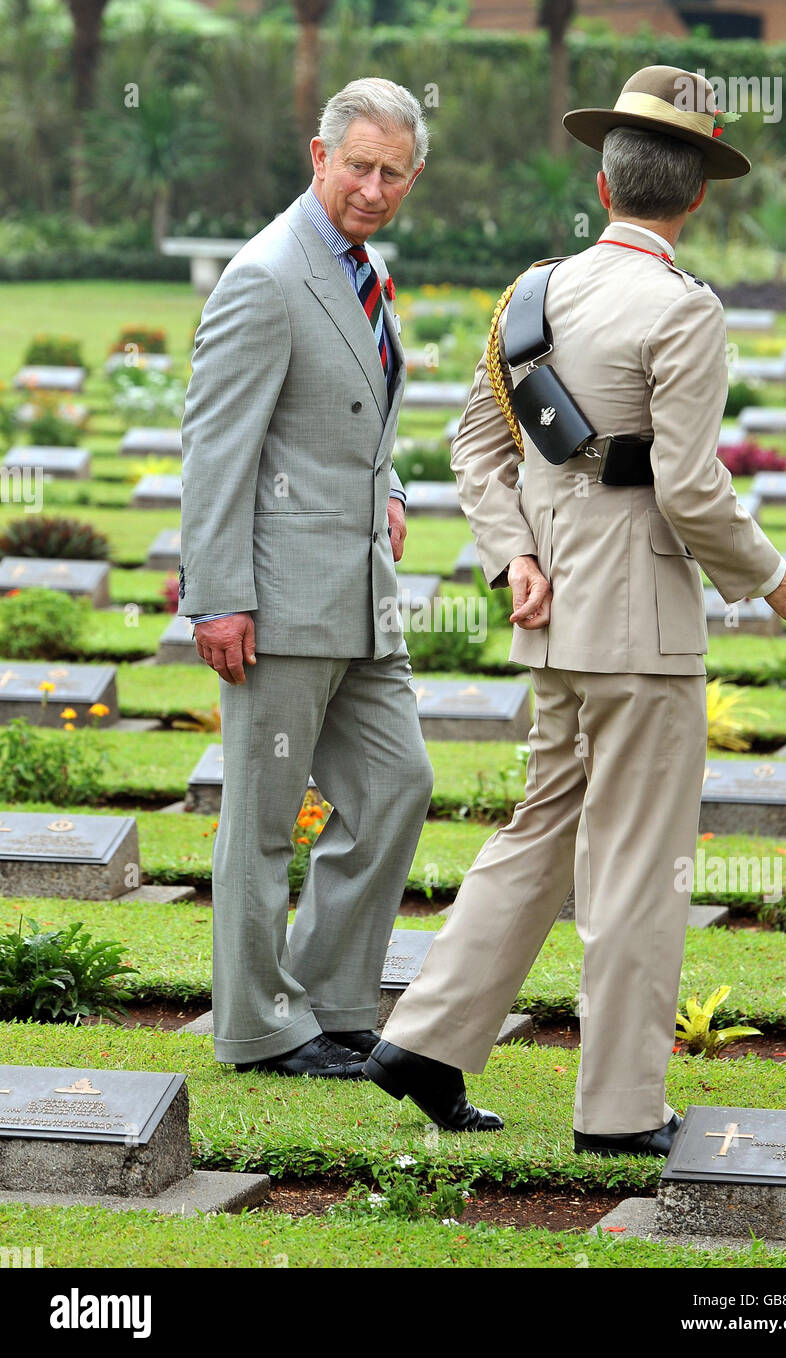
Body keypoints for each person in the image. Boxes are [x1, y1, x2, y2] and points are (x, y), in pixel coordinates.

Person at [364, 65, 786, 1147]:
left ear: (603, 177)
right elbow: (686, 487)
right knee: (636, 867)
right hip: (641, 633)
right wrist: (774, 577)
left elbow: (472, 447)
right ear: (698, 194)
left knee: (538, 833)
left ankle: (423, 1042)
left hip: (552, 621)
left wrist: (511, 556)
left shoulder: (531, 293)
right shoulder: (682, 311)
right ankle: (620, 1112)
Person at [178, 78, 434, 1079]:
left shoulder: (361, 265)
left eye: (392, 172)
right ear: (316, 157)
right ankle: (255, 1029)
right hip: (277, 601)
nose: (372, 187)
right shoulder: (265, 275)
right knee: (263, 822)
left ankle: (327, 998)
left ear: (413, 175)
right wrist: (217, 595)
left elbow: (351, 406)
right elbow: (215, 449)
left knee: (398, 784)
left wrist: (395, 484)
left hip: (360, 588)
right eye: (357, 166)